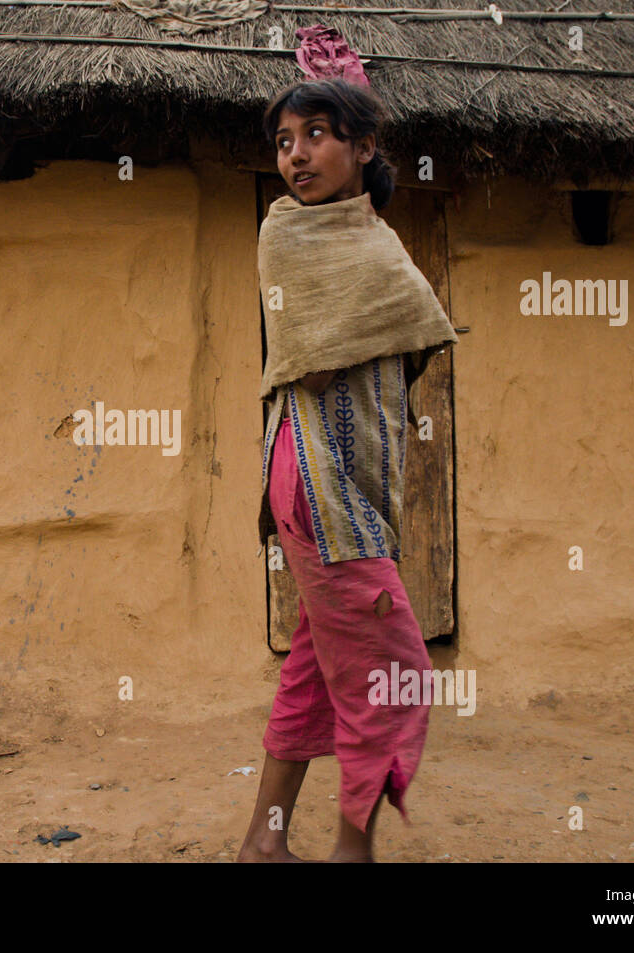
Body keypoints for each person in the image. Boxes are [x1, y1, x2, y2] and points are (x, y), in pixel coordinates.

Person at [237, 77, 456, 863]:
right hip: (317, 481)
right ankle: (350, 852)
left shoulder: (373, 237)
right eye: (284, 141)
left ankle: (263, 845)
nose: (295, 154)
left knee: (312, 671)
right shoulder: (287, 234)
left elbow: (408, 332)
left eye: (316, 134)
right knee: (390, 669)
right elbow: (319, 362)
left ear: (364, 147)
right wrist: (368, 307)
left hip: (350, 481)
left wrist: (374, 303)